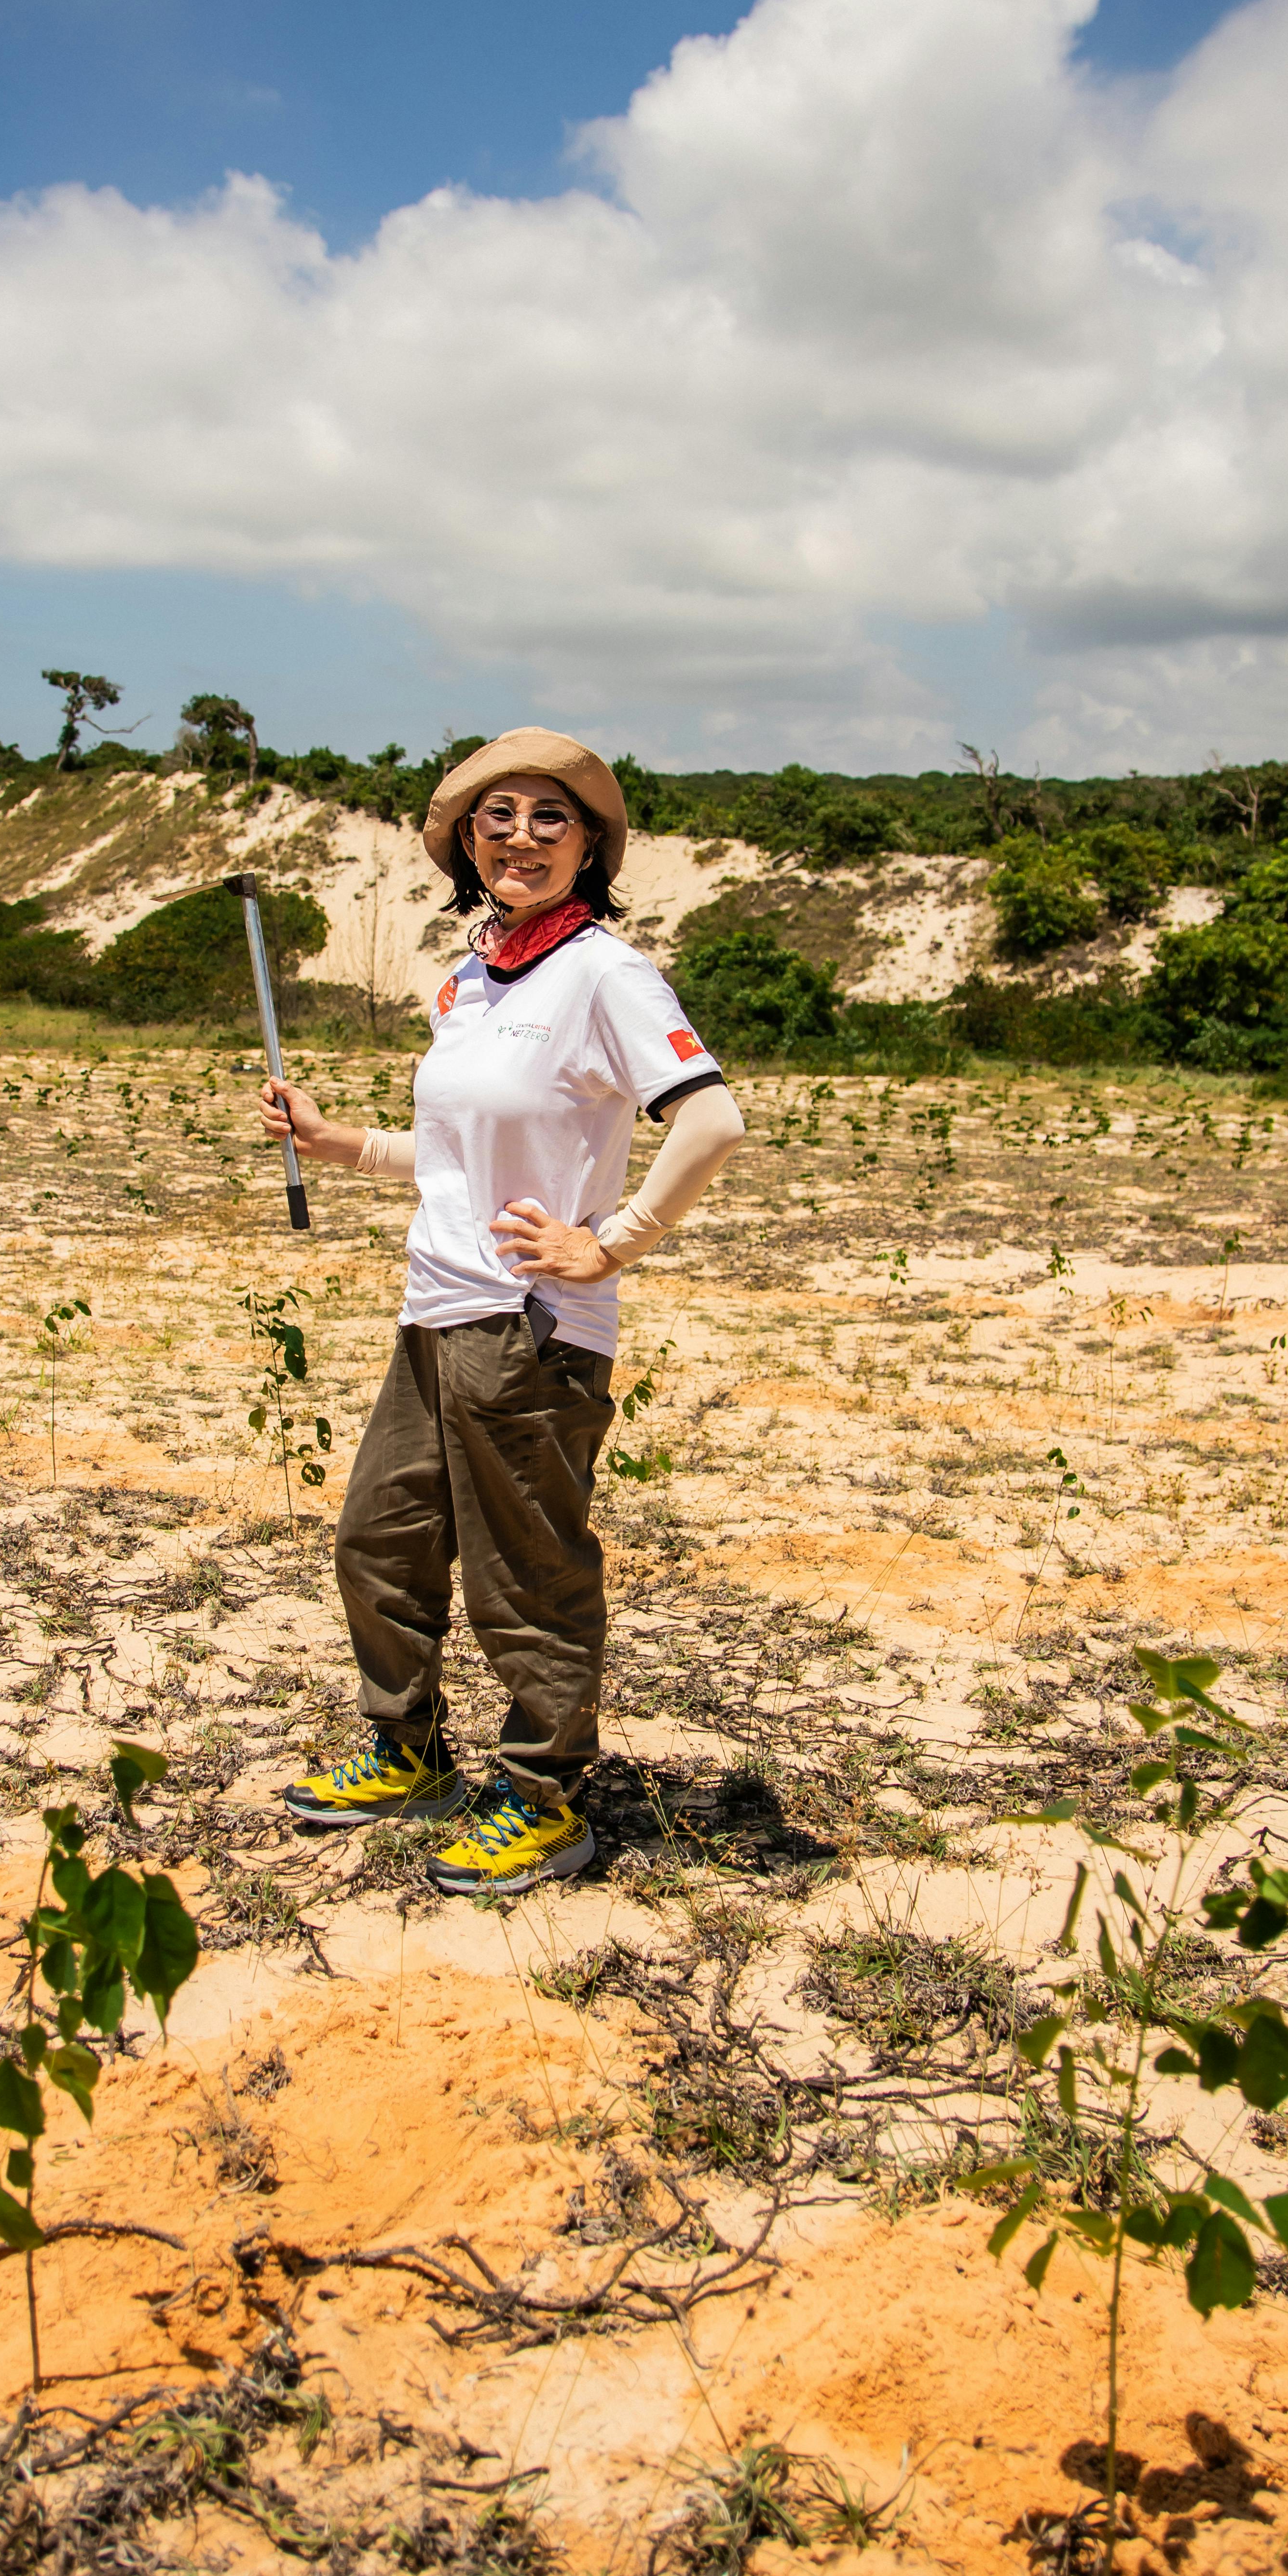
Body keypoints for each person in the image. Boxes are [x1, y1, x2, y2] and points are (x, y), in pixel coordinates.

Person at [255, 726, 744, 1895]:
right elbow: (448, 1152)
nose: (518, 835)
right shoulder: (472, 976)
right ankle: (408, 1753)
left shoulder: (603, 973)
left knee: (524, 1578)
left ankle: (543, 1800)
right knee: (379, 1542)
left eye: (547, 817)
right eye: (495, 817)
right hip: (435, 1313)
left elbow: (710, 1119)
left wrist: (613, 1242)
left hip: (530, 1328)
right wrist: (337, 1143)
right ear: (466, 844)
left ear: (589, 845)